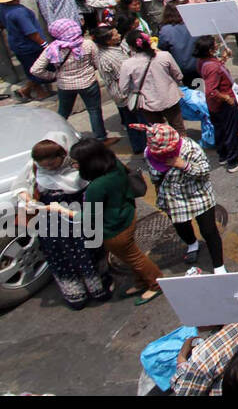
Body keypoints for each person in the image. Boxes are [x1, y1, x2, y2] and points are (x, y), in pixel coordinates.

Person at [18, 133, 111, 309]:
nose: (49, 168)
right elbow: (21, 186)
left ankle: (98, 287)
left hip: (77, 212)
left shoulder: (76, 164)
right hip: (51, 218)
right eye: (44, 164)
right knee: (60, 255)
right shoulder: (34, 167)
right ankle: (75, 293)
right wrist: (28, 199)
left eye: (53, 163)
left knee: (88, 249)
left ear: (62, 155)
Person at [73, 137, 163, 305]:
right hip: (127, 215)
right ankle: (141, 281)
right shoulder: (114, 165)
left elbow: (88, 216)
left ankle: (155, 283)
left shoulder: (97, 186)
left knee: (133, 256)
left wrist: (61, 211)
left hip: (114, 229)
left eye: (77, 162)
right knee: (130, 255)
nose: (75, 165)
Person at [137, 122, 225, 274]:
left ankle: (218, 265)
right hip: (173, 197)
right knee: (181, 226)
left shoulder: (190, 148)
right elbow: (154, 177)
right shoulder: (149, 153)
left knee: (209, 230)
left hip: (198, 194)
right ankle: (192, 244)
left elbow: (204, 172)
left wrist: (183, 165)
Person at [31, 18, 108, 140]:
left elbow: (35, 69)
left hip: (65, 85)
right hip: (88, 83)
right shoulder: (87, 44)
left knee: (63, 112)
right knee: (94, 111)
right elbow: (98, 63)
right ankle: (100, 137)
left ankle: (57, 136)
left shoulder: (53, 48)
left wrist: (53, 76)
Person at [196, 35, 238, 173]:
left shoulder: (203, 62)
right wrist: (225, 98)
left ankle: (223, 155)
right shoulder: (212, 67)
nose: (218, 45)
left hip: (214, 105)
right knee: (231, 131)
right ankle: (233, 161)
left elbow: (217, 70)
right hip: (223, 103)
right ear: (210, 50)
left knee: (220, 130)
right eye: (215, 44)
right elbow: (211, 91)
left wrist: (223, 59)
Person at [117, 29, 186, 132]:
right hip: (170, 98)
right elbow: (179, 76)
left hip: (147, 103)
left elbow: (123, 88)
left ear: (131, 47)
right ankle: (183, 147)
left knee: (158, 133)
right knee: (179, 129)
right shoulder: (164, 55)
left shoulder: (127, 64)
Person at [92, 25, 146, 157]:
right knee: (140, 122)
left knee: (131, 122)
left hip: (120, 94)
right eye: (115, 34)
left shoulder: (110, 51)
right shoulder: (111, 57)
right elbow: (127, 75)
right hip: (126, 93)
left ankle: (138, 146)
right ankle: (146, 148)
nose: (119, 35)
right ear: (108, 41)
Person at [0, 0, 51, 102]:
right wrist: (44, 44)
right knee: (37, 70)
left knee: (31, 69)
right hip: (30, 46)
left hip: (18, 44)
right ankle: (29, 91)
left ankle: (32, 91)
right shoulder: (19, 12)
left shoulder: (3, 8)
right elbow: (31, 32)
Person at [157, 2, 198, 85]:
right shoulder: (194, 24)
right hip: (198, 65)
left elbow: (162, 49)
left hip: (179, 69)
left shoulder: (165, 31)